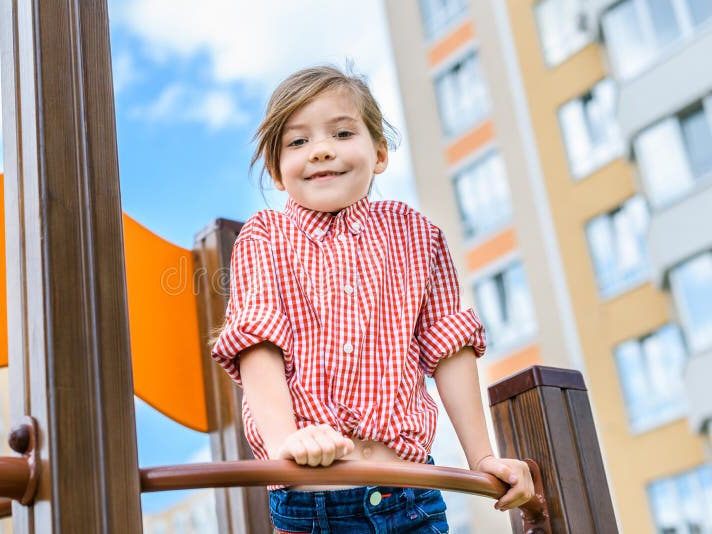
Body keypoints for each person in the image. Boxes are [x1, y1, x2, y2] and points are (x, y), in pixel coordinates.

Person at [211, 65, 534, 533]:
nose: (320, 149)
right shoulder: (266, 236)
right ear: (277, 173)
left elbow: (448, 345)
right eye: (297, 142)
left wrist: (481, 455)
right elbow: (258, 344)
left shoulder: (415, 233)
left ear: (379, 152)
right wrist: (287, 440)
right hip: (315, 504)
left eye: (341, 133)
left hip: (410, 493)